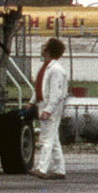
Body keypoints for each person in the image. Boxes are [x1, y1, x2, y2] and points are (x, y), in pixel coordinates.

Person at [33, 36, 69, 179]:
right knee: (53, 139)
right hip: (44, 105)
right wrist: (33, 101)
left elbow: (56, 93)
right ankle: (60, 170)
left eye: (45, 45)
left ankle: (42, 169)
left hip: (52, 107)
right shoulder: (45, 67)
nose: (43, 47)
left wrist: (48, 110)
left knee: (46, 138)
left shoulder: (56, 70)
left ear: (49, 50)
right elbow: (40, 87)